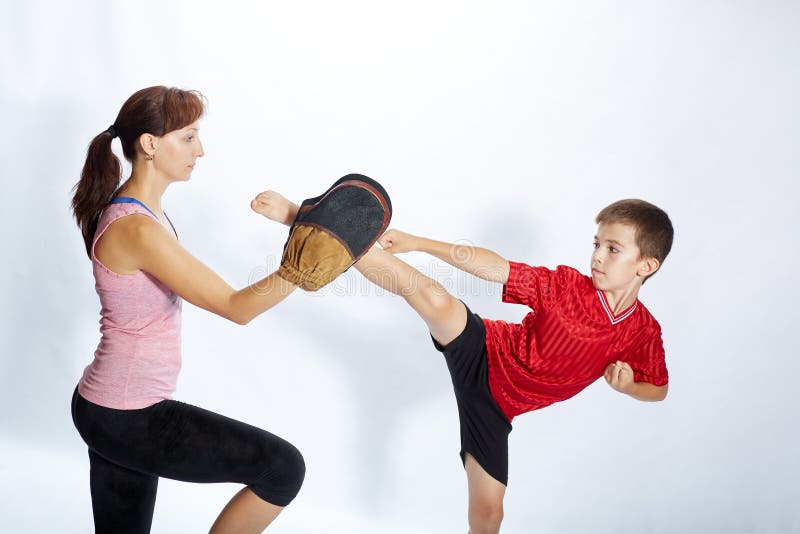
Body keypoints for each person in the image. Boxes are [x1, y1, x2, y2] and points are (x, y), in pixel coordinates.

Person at [252, 192, 673, 534]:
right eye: (596, 244)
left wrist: (628, 386)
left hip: (497, 410)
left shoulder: (642, 332)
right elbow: (496, 268)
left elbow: (658, 389)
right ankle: (303, 217)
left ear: (646, 265)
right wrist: (419, 243)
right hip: (484, 350)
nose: (597, 256)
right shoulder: (566, 285)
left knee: (488, 517)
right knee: (432, 296)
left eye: (613, 249)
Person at [71, 86, 307, 534]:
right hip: (127, 416)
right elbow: (236, 307)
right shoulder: (137, 229)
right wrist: (301, 268)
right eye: (188, 137)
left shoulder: (144, 213)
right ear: (150, 144)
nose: (200, 150)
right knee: (282, 468)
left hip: (110, 407)